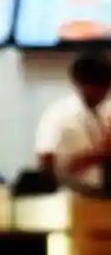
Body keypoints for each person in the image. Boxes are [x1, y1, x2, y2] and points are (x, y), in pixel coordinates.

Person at [35, 52, 111, 190]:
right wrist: (97, 155)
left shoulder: (105, 111)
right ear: (79, 83)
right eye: (98, 87)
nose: (104, 93)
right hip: (72, 191)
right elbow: (46, 162)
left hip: (102, 190)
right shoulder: (59, 114)